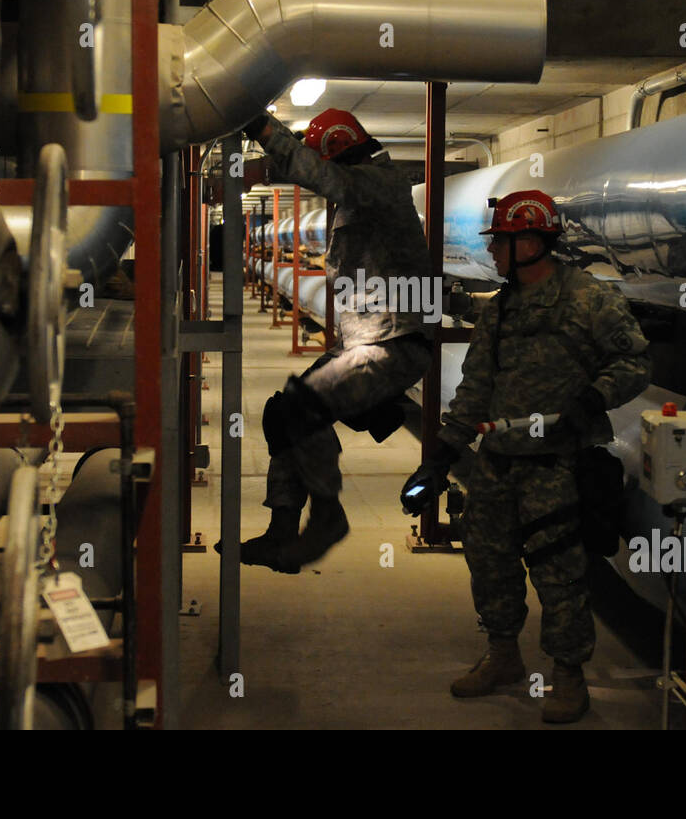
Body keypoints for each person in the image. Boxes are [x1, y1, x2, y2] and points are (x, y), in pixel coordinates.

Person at [400, 189, 651, 723]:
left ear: (532, 242)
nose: (492, 254)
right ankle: (504, 654)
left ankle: (567, 676)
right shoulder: (501, 308)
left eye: (501, 244)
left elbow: (634, 364)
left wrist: (593, 398)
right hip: (497, 461)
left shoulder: (589, 299)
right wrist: (442, 453)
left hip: (556, 465)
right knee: (487, 560)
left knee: (560, 574)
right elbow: (475, 387)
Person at [225, 107, 434, 573]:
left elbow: (326, 178)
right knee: (282, 412)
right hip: (365, 342)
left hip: (395, 341)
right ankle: (281, 530)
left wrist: (263, 127)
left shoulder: (379, 184)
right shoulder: (358, 185)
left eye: (326, 158)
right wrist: (251, 164)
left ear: (340, 149)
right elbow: (305, 169)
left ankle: (326, 517)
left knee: (302, 408)